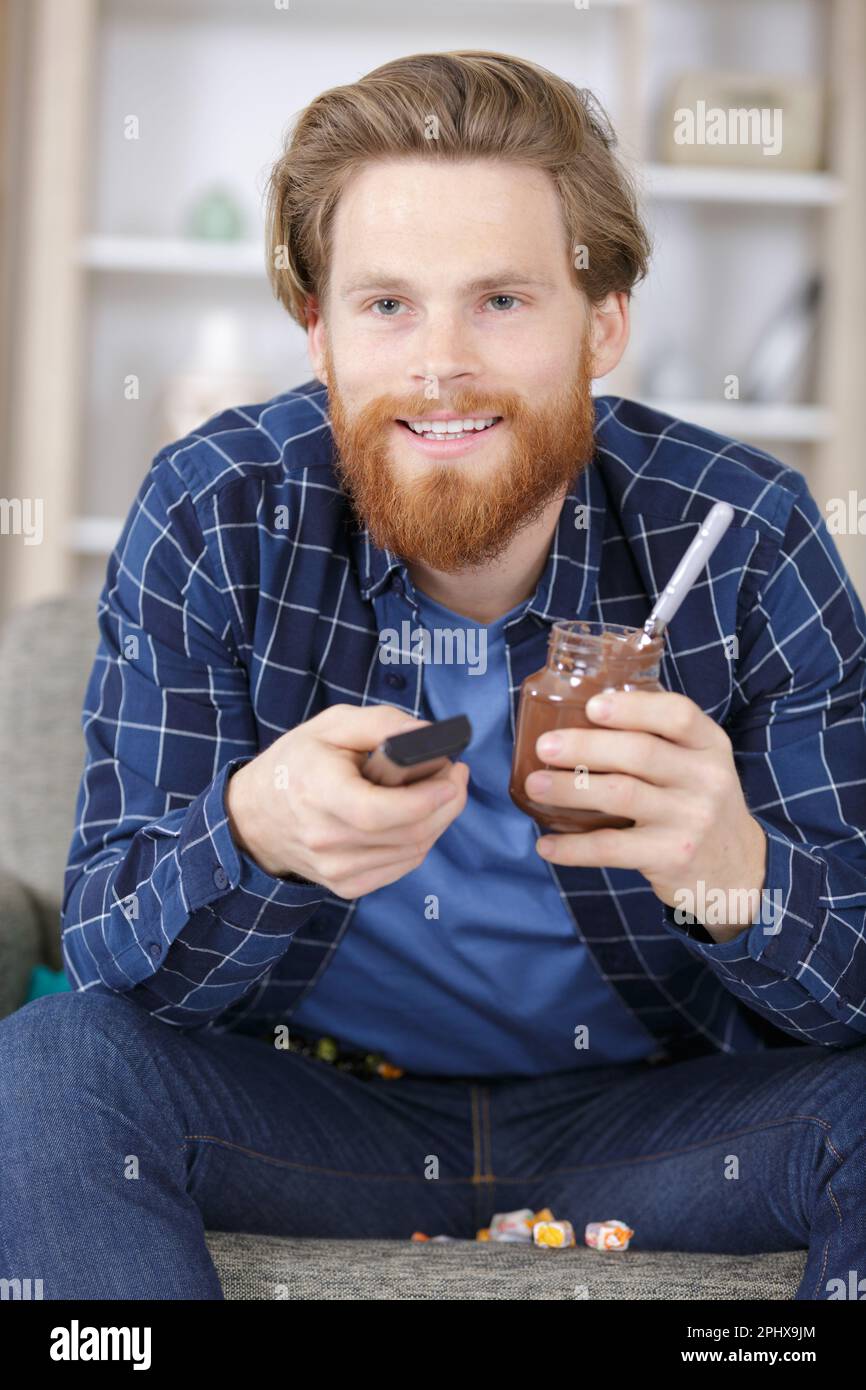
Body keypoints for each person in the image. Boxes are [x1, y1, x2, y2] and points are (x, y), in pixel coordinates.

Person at [1, 51, 864, 1302]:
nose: (440, 362)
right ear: (320, 333)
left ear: (602, 322)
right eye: (387, 305)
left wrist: (739, 879)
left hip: (652, 1123)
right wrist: (248, 831)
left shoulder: (743, 535)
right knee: (51, 1066)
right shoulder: (215, 513)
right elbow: (105, 945)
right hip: (310, 1110)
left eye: (502, 301)